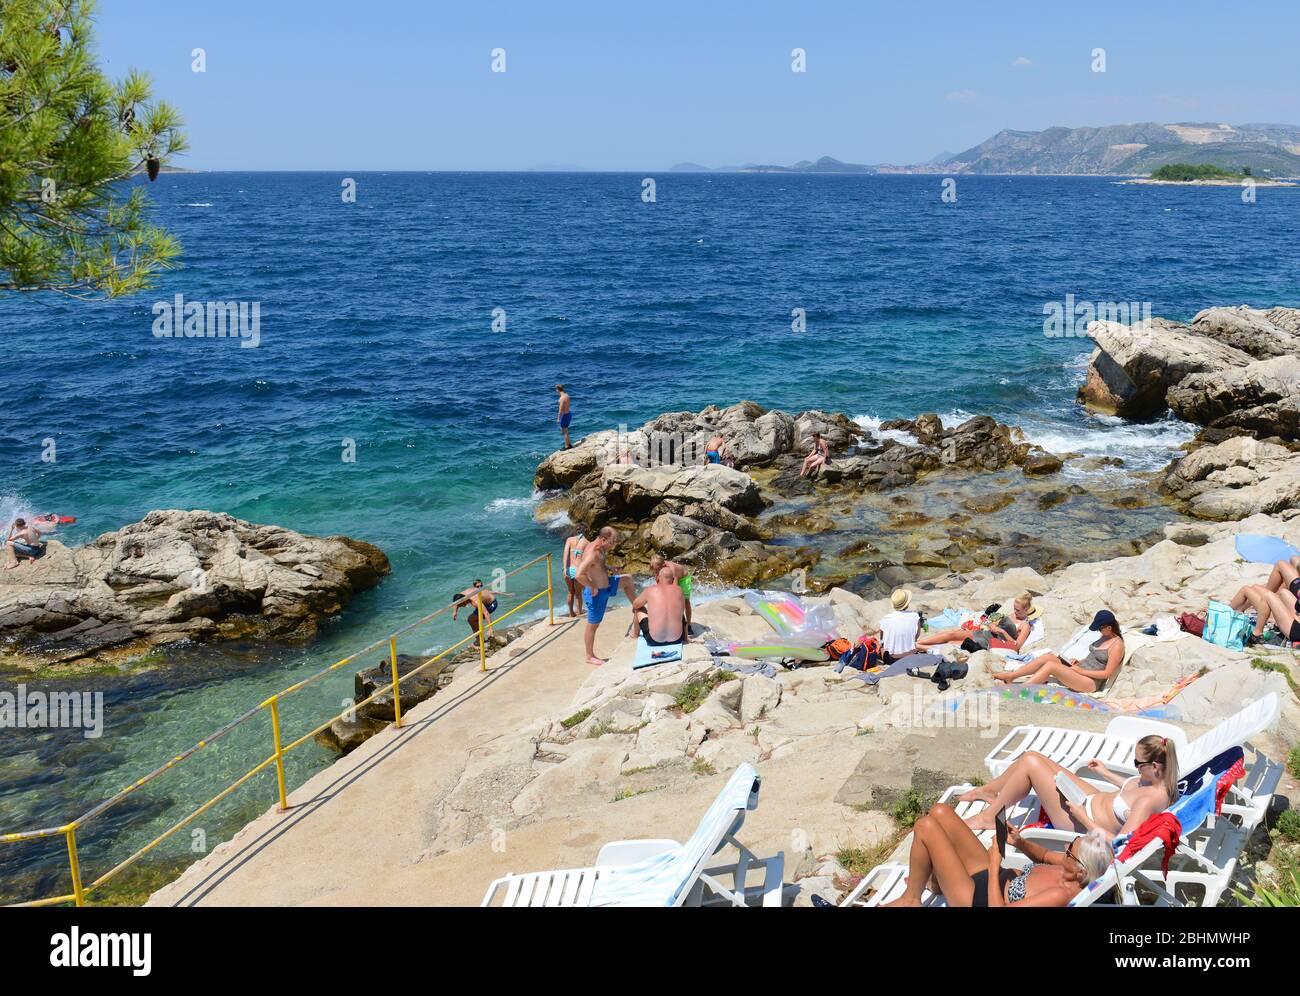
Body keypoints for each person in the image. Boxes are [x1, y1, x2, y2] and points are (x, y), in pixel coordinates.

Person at [881, 801, 1111, 907]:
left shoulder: (1059, 895)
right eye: (1071, 844)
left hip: (975, 899)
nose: (1065, 850)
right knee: (940, 811)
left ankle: (910, 899)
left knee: (925, 826)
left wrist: (993, 866)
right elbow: (1042, 855)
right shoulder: (1067, 867)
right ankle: (938, 882)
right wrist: (1019, 842)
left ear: (1081, 872)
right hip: (992, 877)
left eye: (1070, 850)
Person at [958, 734, 1178, 837]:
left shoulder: (1149, 801)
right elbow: (1132, 788)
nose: (1136, 767)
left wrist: (1081, 816)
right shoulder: (1158, 781)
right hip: (1092, 800)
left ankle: (990, 817)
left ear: (1156, 766)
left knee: (1030, 764)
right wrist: (1106, 774)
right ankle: (991, 791)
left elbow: (1121, 845)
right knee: (1032, 755)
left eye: (1138, 763)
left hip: (1080, 822)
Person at [993, 609, 1123, 692]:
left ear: (1109, 627)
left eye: (1100, 629)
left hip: (1090, 682)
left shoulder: (1117, 646)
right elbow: (1094, 656)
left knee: (1051, 666)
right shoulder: (1104, 636)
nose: (1098, 631)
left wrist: (1080, 670)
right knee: (1048, 657)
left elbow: (1107, 673)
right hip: (1079, 670)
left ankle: (1020, 690)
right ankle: (1012, 676)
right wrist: (1079, 661)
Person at [574, 526, 637, 666]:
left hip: (606, 585)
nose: (613, 545)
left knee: (628, 579)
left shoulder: (601, 548)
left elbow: (597, 565)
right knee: (593, 625)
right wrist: (592, 586)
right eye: (612, 542)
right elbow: (579, 575)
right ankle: (589, 656)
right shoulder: (592, 553)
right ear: (603, 539)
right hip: (596, 594)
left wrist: (609, 568)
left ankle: (637, 607)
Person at [916, 594, 1036, 652]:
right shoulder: (1012, 615)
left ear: (1026, 609)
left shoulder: (1025, 626)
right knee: (952, 634)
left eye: (1018, 610)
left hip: (991, 642)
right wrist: (992, 625)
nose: (1014, 611)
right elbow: (990, 620)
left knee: (953, 643)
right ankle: (917, 642)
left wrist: (1002, 631)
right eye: (1014, 608)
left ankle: (919, 647)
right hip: (985, 633)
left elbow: (1016, 646)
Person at [1227, 555, 1300, 644]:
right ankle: (1234, 611)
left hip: (1296, 629)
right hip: (1296, 616)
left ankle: (1256, 634)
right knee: (1279, 592)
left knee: (1254, 592)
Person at [631, 566, 688, 646]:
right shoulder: (679, 590)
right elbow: (682, 614)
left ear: (658, 578)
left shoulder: (650, 590)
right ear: (673, 579)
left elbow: (635, 605)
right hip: (677, 639)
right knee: (678, 611)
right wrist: (685, 639)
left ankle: (635, 635)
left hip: (653, 641)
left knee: (639, 608)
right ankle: (686, 638)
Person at [648, 552, 693, 634]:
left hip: (683, 578)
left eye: (657, 570)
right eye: (655, 570)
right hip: (674, 577)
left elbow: (674, 589)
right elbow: (659, 582)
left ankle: (688, 625)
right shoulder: (657, 569)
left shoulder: (672, 569)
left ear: (663, 565)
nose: (656, 572)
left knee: (685, 601)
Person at [877, 588, 922, 662]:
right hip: (911, 655)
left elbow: (882, 640)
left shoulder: (886, 619)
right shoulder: (915, 616)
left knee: (881, 647)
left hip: (893, 659)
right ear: (907, 603)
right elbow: (916, 636)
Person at [561, 531, 588, 618]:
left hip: (568, 569)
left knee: (570, 592)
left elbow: (565, 553)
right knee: (578, 593)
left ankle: (571, 613)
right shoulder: (587, 542)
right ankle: (579, 612)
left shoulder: (569, 539)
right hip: (578, 570)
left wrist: (565, 568)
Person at [555, 384, 573, 449]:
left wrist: (558, 419)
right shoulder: (567, 395)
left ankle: (567, 446)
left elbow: (560, 410)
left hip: (564, 416)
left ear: (557, 390)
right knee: (566, 430)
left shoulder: (562, 398)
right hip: (569, 414)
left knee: (564, 431)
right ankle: (569, 444)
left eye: (556, 390)